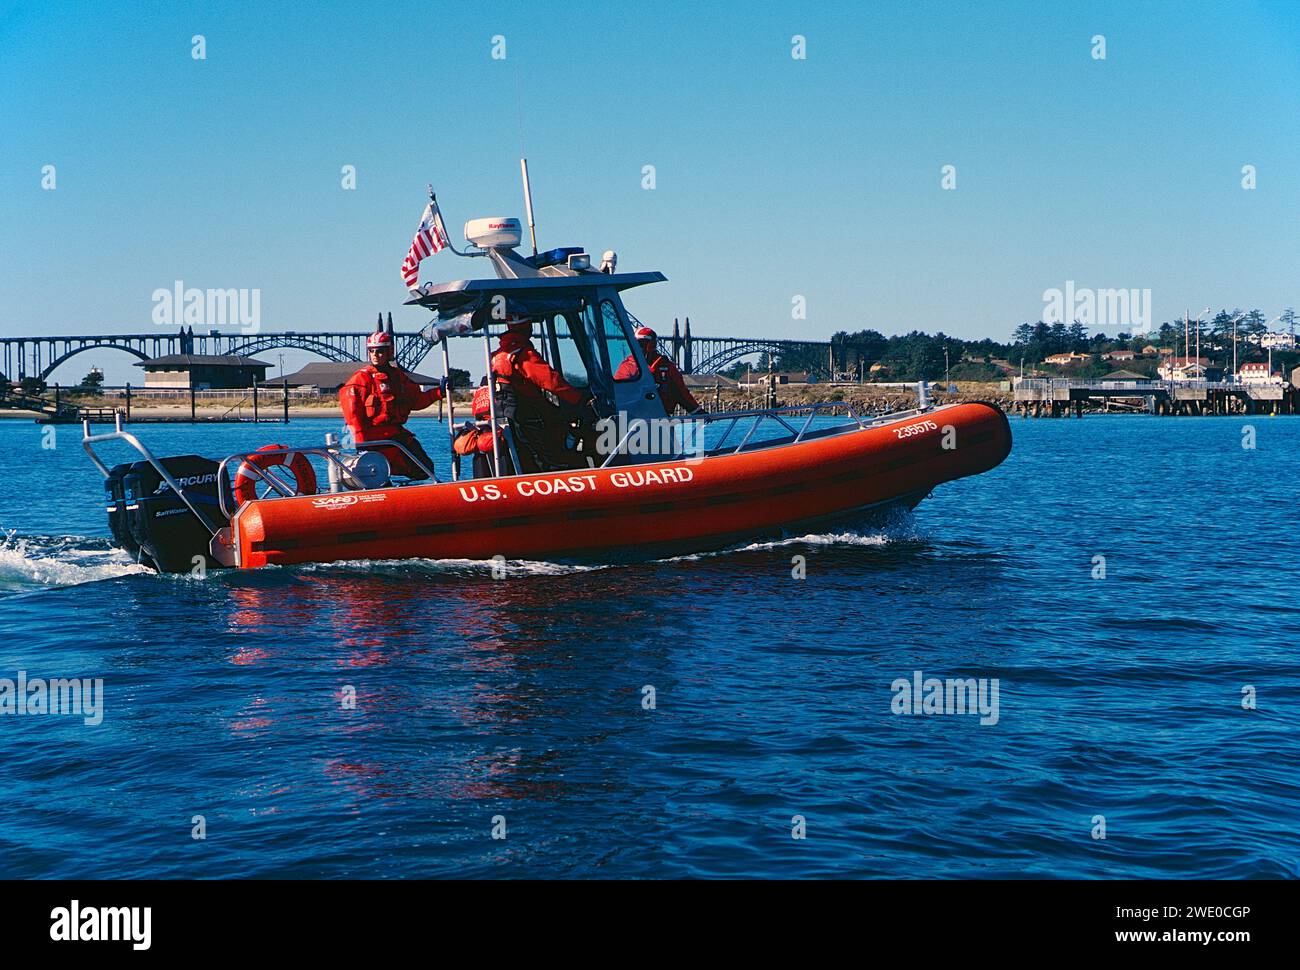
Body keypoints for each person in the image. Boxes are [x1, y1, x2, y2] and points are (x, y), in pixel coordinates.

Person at [340, 328, 444, 480]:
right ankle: (383, 484)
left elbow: (416, 400)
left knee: (425, 469)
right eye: (372, 351)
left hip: (396, 436)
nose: (375, 355)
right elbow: (352, 416)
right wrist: (361, 444)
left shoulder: (398, 377)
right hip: (372, 440)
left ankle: (403, 494)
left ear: (389, 352)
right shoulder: (360, 380)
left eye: (380, 351)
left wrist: (439, 392)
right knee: (377, 474)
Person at [490, 316, 592, 471]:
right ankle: (565, 465)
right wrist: (580, 399)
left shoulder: (497, 355)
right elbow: (550, 380)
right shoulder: (522, 354)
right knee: (563, 428)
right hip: (527, 416)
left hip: (510, 415)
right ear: (526, 327)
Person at [615, 326, 701, 415]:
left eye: (640, 344)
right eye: (635, 344)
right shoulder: (627, 366)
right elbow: (618, 392)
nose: (637, 347)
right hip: (635, 418)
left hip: (657, 418)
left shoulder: (668, 367)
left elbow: (681, 393)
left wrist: (698, 412)